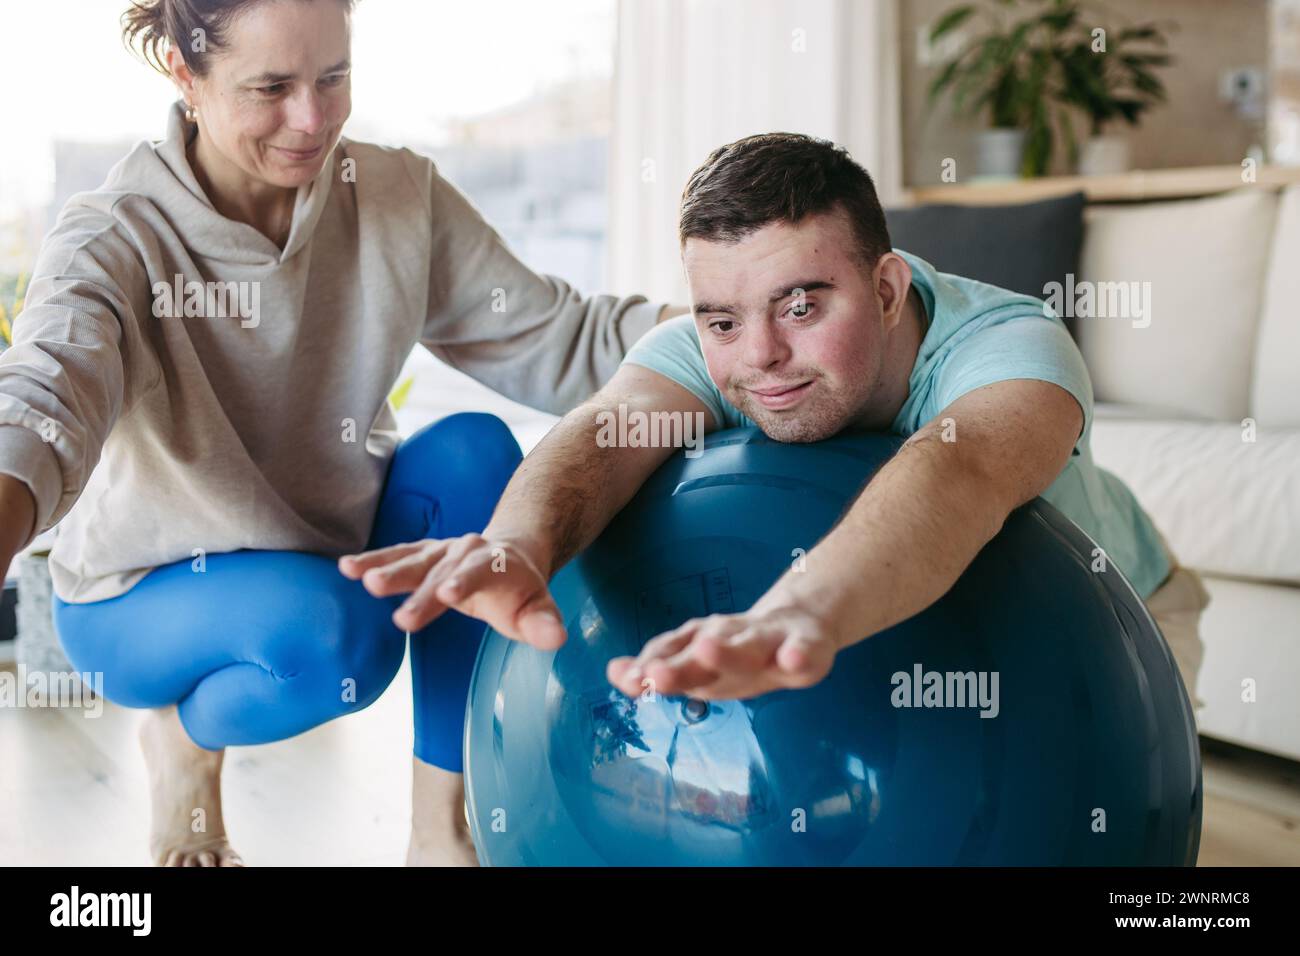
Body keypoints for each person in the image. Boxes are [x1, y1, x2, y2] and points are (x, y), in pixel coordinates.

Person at [0, 0, 682, 867]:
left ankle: (441, 829)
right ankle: (181, 739)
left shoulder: (395, 196)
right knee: (335, 641)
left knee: (472, 451)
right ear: (184, 72)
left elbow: (561, 335)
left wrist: (735, 326)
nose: (312, 120)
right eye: (271, 87)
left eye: (333, 77)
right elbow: (44, 392)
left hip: (330, 558)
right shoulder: (114, 234)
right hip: (147, 600)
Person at [344, 132, 1209, 724]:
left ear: (886, 288)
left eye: (801, 306)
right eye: (722, 320)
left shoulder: (1013, 343)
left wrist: (793, 614)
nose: (760, 355)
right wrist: (520, 543)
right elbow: (611, 427)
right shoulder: (709, 349)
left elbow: (960, 471)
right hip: (904, 634)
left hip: (1114, 619)